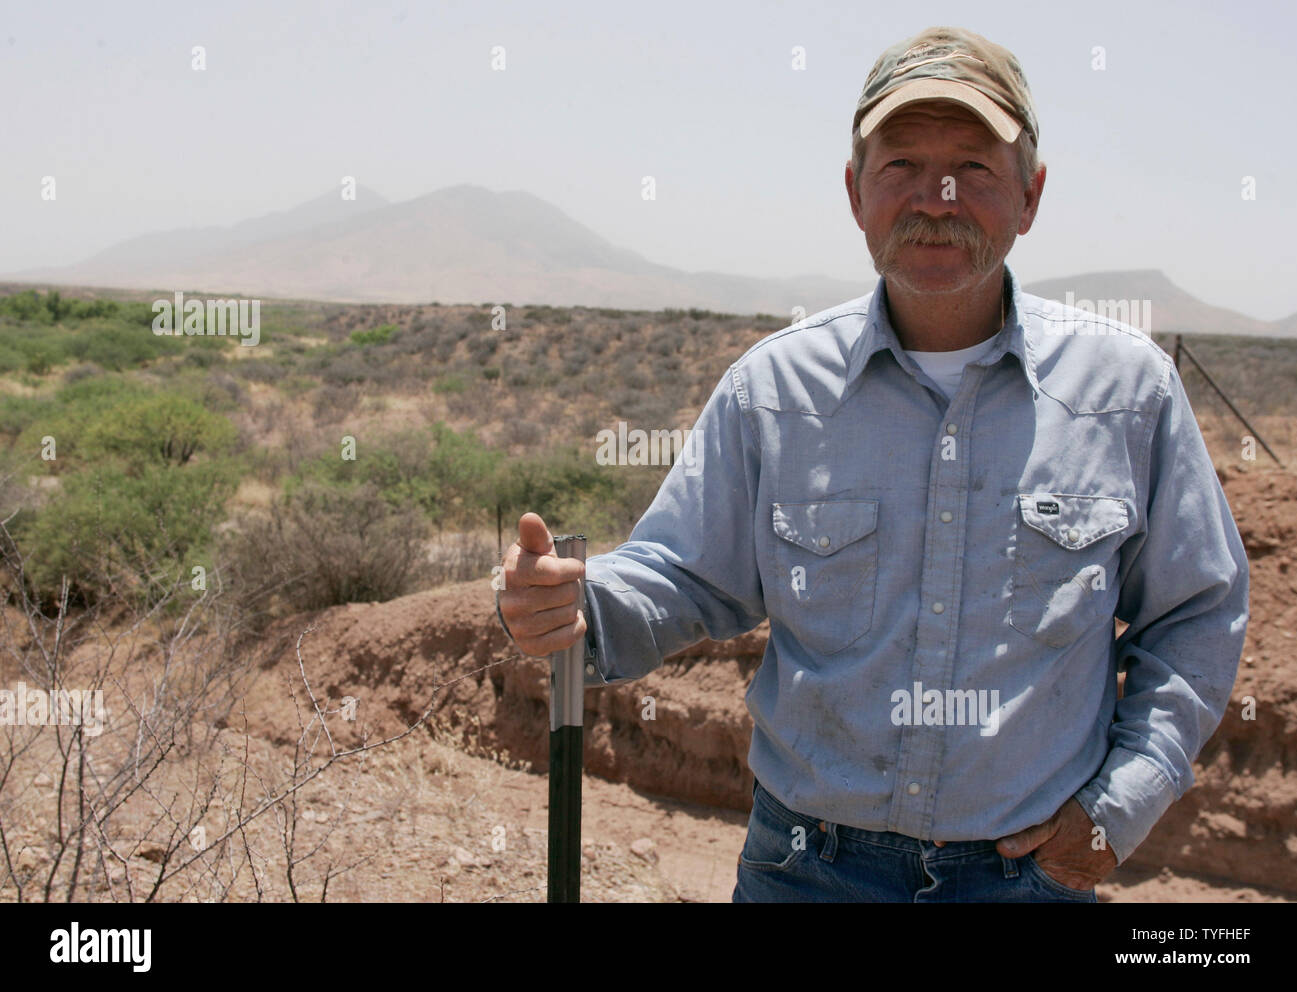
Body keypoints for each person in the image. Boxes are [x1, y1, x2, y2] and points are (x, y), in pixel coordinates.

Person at [495, 25, 1249, 902]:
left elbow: (1199, 614)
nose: (937, 195)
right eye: (901, 165)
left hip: (1025, 877)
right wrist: (569, 603)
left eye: (973, 165)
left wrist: (1118, 809)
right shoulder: (773, 392)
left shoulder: (1129, 394)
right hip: (805, 871)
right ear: (855, 191)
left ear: (1031, 195)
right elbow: (685, 575)